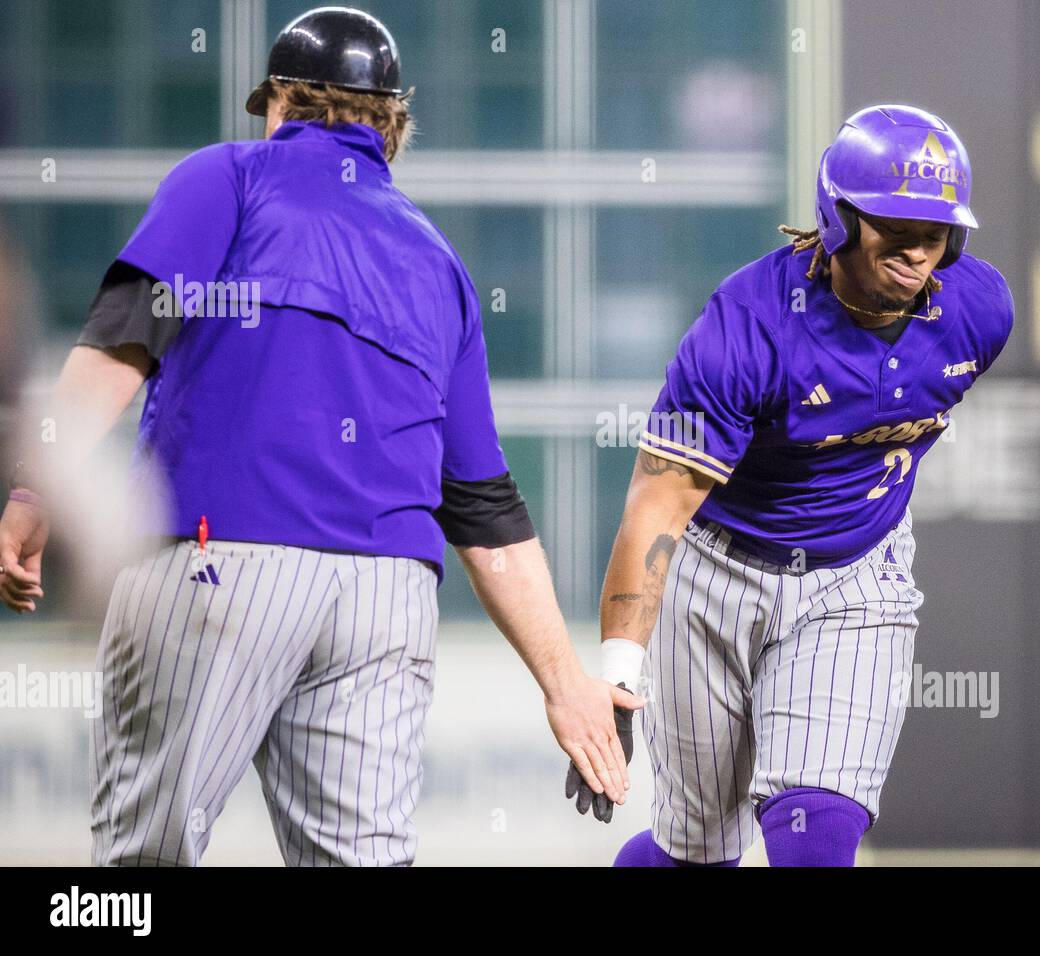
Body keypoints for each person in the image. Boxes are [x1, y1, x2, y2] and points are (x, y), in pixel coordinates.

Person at [0, 5, 639, 867]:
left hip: (219, 562)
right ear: (389, 127)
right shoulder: (439, 262)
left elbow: (128, 332)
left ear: (282, 105)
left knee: (142, 870)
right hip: (386, 601)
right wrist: (568, 689)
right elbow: (487, 512)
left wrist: (38, 490)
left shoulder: (228, 176)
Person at [566, 104, 1013, 867]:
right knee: (695, 850)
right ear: (837, 221)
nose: (916, 254)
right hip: (716, 570)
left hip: (856, 575)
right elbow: (659, 506)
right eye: (894, 230)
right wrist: (616, 670)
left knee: (818, 826)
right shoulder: (746, 326)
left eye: (933, 234)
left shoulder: (978, 310)